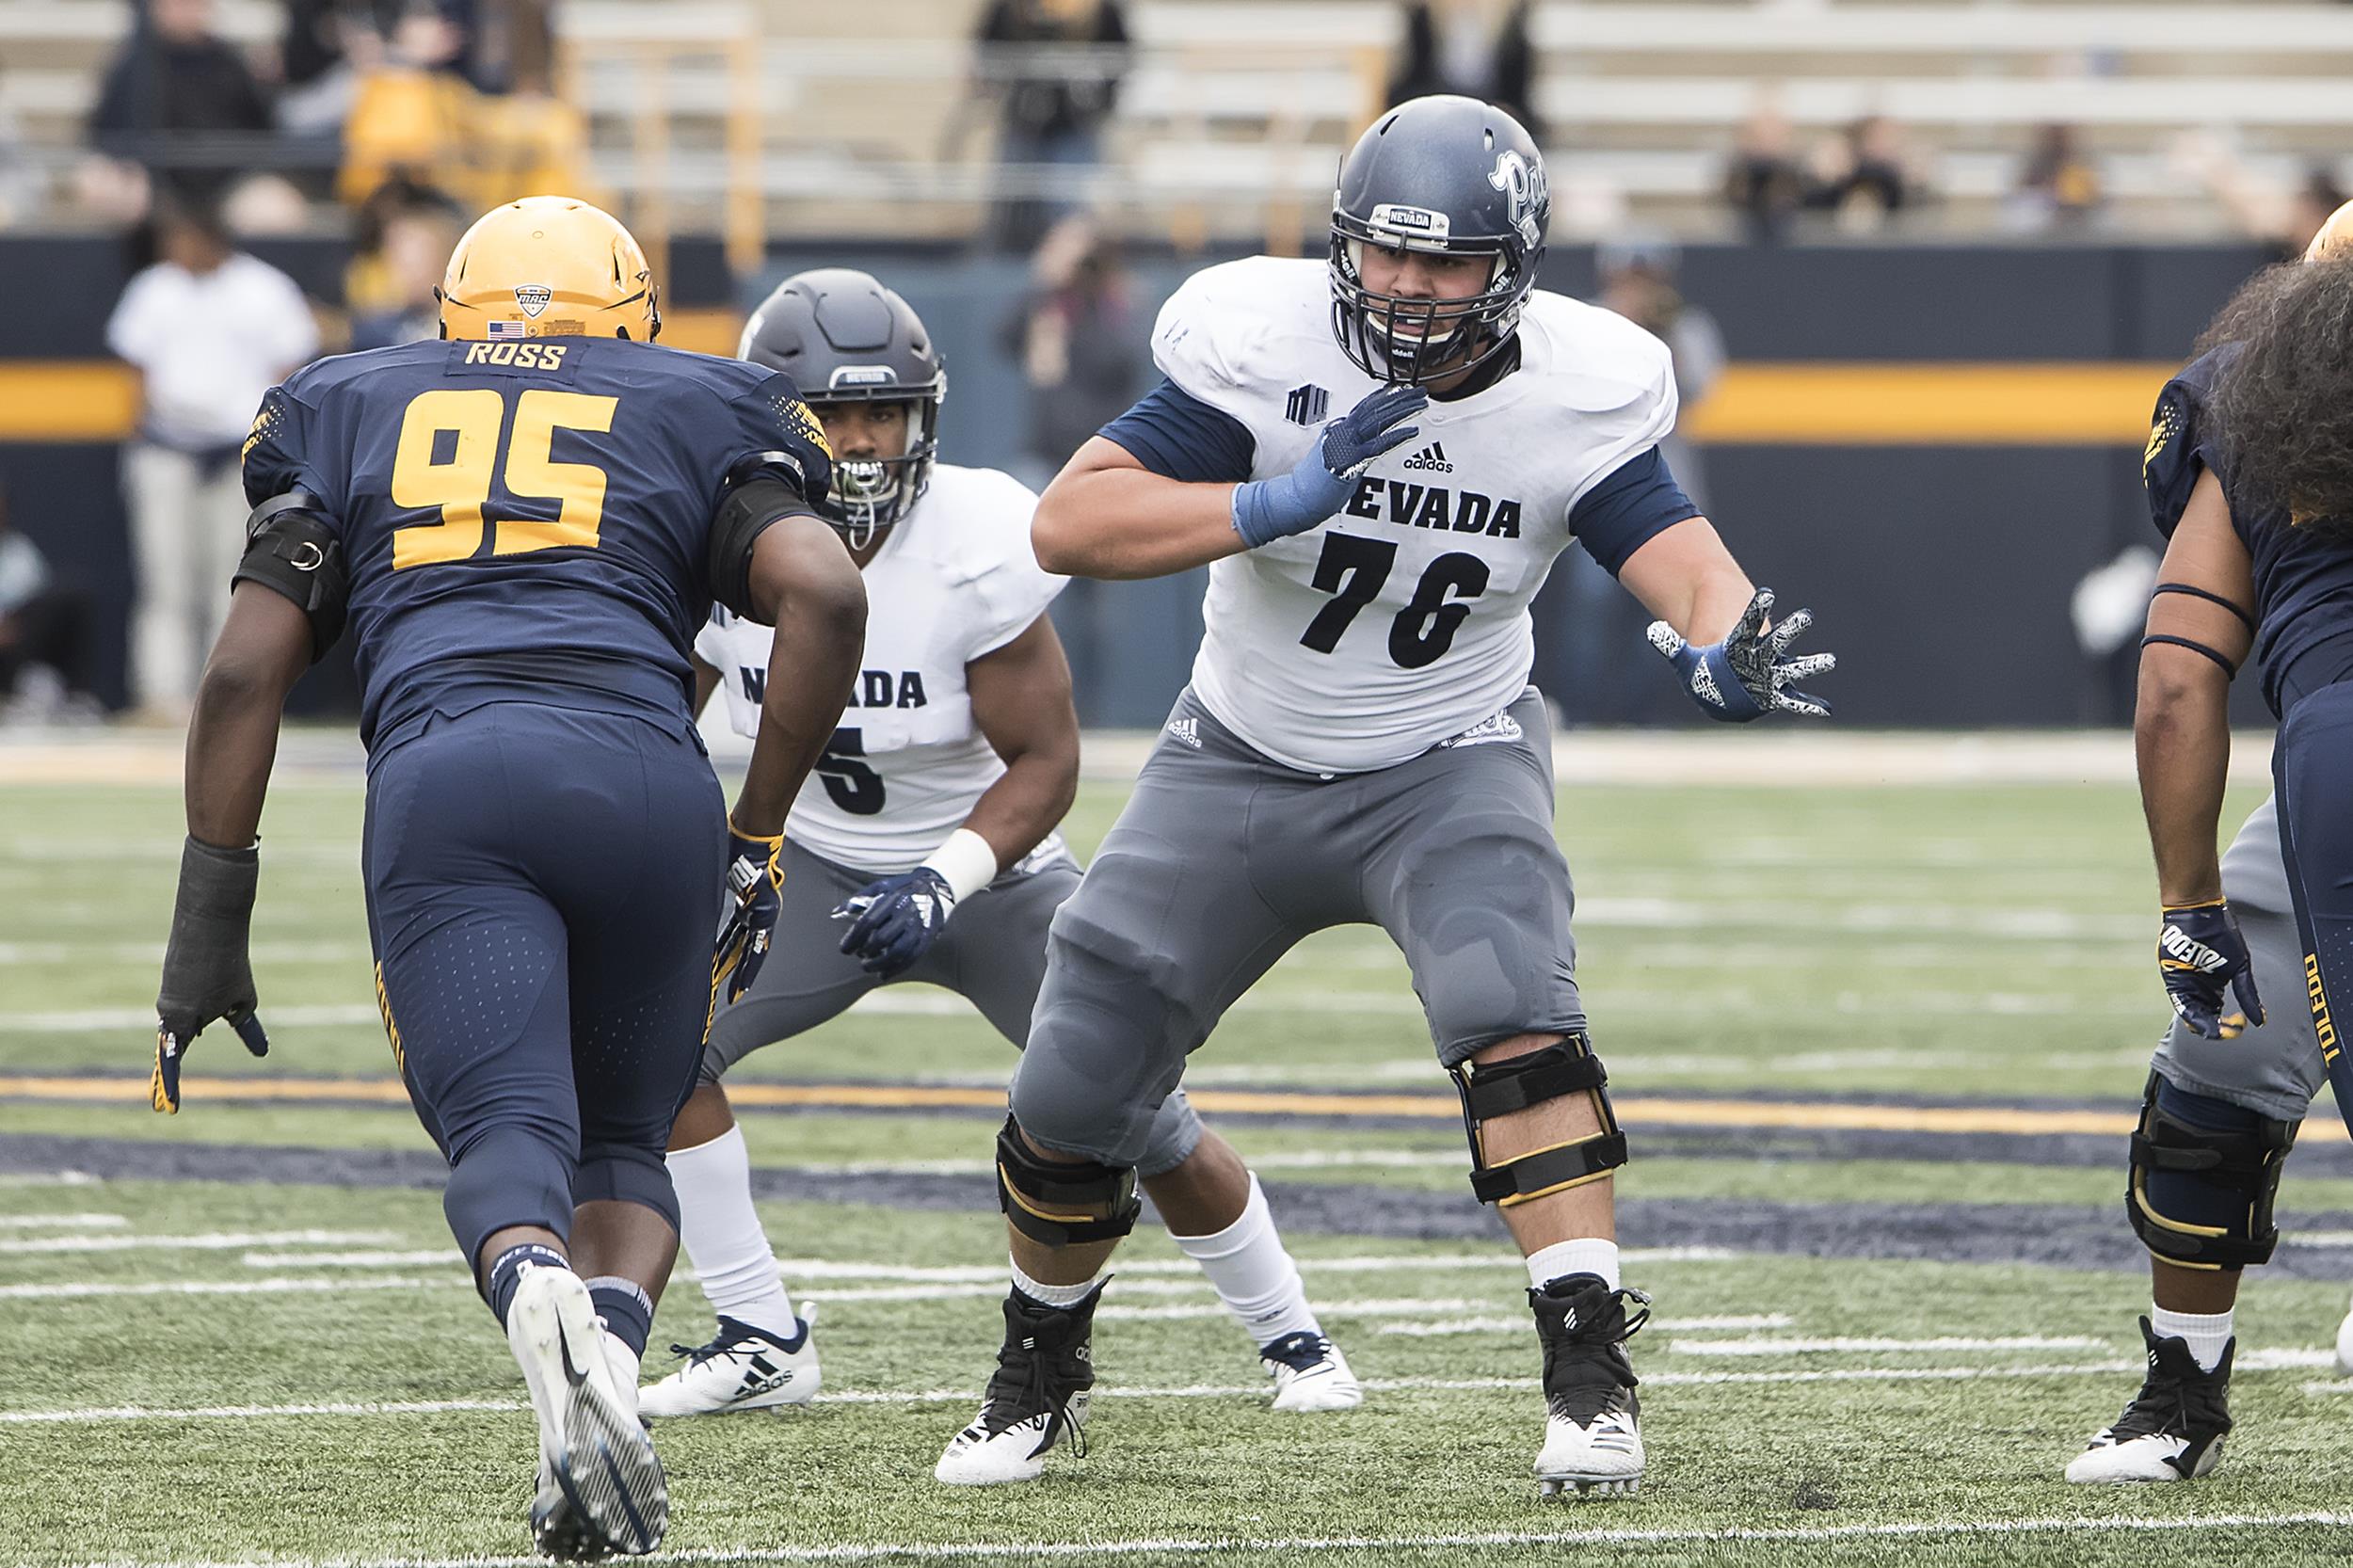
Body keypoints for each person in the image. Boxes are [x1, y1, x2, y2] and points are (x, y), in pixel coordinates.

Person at [930, 95, 1835, 1496]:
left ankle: (1591, 1378)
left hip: (1447, 755)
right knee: (1074, 1077)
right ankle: (1035, 1374)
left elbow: (1685, 559)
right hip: (1236, 754)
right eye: (1385, 252)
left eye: (1445, 260)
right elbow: (1071, 520)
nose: (1407, 286)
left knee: (1515, 1014)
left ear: (1513, 265)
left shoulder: (1576, 387)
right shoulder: (1260, 342)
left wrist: (1725, 643)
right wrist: (1269, 501)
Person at [144, 196, 863, 1558]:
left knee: (506, 1137)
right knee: (625, 1140)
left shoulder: (349, 400)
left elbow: (242, 673)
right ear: (635, 321)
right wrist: (758, 837)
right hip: (648, 785)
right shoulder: (702, 400)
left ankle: (535, 1281)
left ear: (452, 318)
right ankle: (609, 1375)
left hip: (453, 777)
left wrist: (208, 923)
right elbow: (823, 593)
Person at [638, 268, 1356, 1421]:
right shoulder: (714, 536)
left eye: (884, 413)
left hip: (990, 875)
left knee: (1132, 1106)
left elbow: (1046, 762)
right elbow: (652, 722)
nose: (860, 443)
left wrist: (943, 879)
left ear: (924, 417)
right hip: (808, 864)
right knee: (659, 1052)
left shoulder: (975, 534)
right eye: (832, 415)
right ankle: (760, 1334)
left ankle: (1295, 1338)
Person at [2068, 202, 2353, 1485]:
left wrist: (2187, 906)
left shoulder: (2240, 397)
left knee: (2215, 1062)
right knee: (2223, 1065)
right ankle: (2178, 1388)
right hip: (2321, 790)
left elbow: (2177, 678)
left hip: (2333, 761)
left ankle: (2179, 1396)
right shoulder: (2256, 406)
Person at [106, 196, 319, 719]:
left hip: (237, 452)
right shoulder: (155, 288)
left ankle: (226, 693)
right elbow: (135, 366)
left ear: (209, 238)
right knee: (165, 577)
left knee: (234, 574)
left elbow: (291, 367)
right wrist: (141, 427)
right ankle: (162, 695)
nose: (174, 248)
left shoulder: (263, 288)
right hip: (168, 447)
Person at [86, 0, 274, 207]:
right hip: (151, 185)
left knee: (269, 207)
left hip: (227, 182)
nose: (185, 10)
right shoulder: (133, 64)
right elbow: (104, 133)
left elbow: (260, 129)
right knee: (102, 184)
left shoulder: (230, 61)